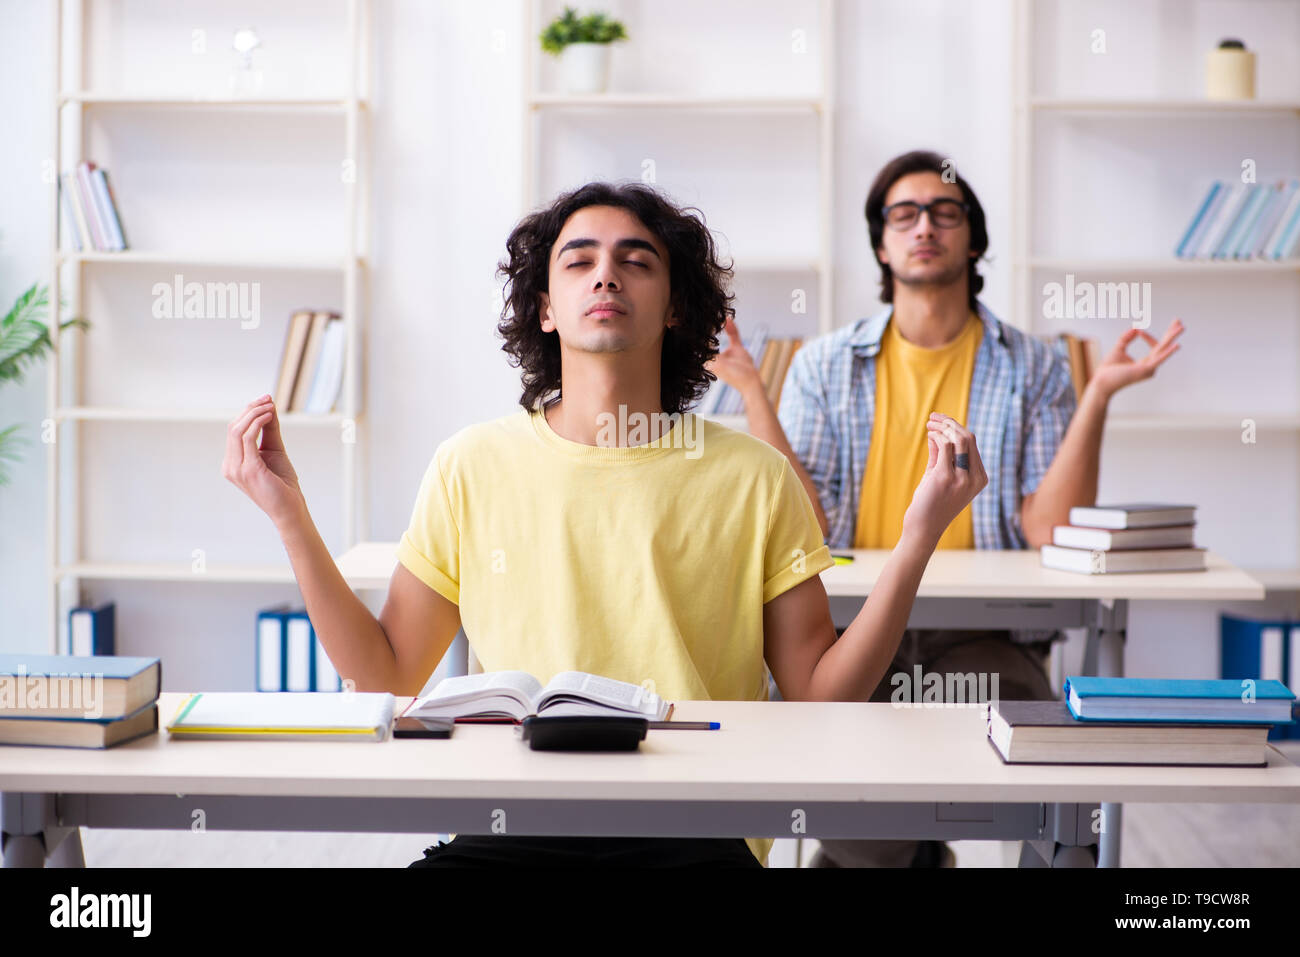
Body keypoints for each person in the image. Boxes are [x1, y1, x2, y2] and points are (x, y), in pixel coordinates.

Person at [223, 180, 990, 868]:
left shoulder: (754, 475)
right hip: (508, 824)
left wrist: (918, 536)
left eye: (636, 260)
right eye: (579, 258)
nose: (606, 273)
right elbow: (384, 676)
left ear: (678, 306)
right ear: (546, 308)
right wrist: (291, 518)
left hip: (696, 832)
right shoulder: (469, 464)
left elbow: (822, 700)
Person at [707, 150, 1183, 868]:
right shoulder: (823, 364)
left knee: (1050, 793)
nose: (924, 225)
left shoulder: (1036, 364)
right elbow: (811, 525)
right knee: (855, 818)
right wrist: (752, 395)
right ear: (881, 244)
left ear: (974, 239)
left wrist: (1096, 398)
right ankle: (898, 852)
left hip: (988, 639)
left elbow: (1046, 532)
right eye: (904, 214)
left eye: (945, 211)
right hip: (852, 635)